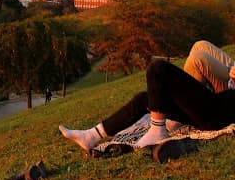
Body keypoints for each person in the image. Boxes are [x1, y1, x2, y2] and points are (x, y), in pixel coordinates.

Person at [59, 58, 235, 153]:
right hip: (218, 105)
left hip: (217, 113)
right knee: (146, 99)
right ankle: (92, 135)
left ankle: (158, 131)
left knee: (158, 68)